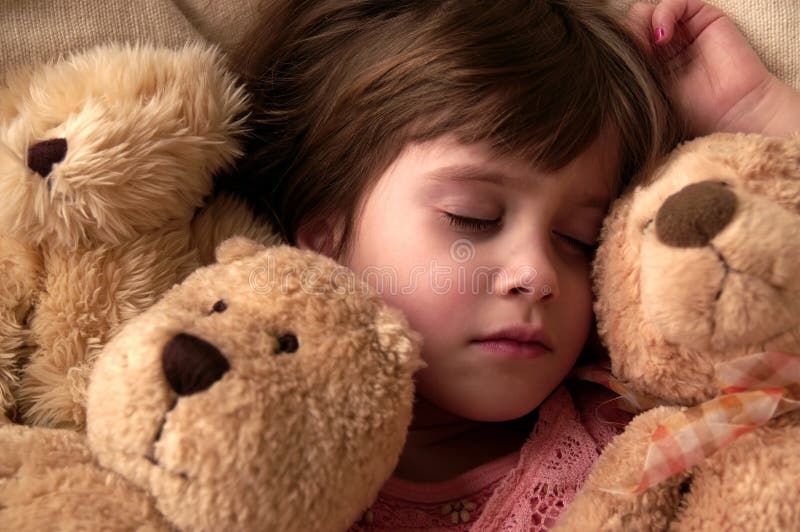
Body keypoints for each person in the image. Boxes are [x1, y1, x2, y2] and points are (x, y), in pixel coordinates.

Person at [233, 0, 800, 529]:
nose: (537, 274)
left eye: (579, 238)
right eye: (473, 217)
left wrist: (754, 113)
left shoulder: (636, 437)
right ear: (323, 240)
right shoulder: (253, 459)